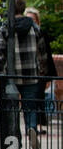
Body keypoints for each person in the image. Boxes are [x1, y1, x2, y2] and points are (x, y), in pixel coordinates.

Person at [0, 0, 45, 149]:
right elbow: (42, 53)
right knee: (30, 106)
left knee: (12, 109)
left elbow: (0, 54)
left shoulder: (5, 27)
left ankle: (16, 139)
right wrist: (42, 71)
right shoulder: (35, 27)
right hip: (31, 74)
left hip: (12, 76)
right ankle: (31, 127)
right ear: (23, 9)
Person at [25, 7, 56, 137]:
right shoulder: (22, 33)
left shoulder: (41, 33)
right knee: (29, 100)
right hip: (26, 71)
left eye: (33, 19)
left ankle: (35, 126)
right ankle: (30, 126)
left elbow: (47, 55)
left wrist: (49, 75)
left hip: (40, 72)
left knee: (38, 98)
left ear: (37, 20)